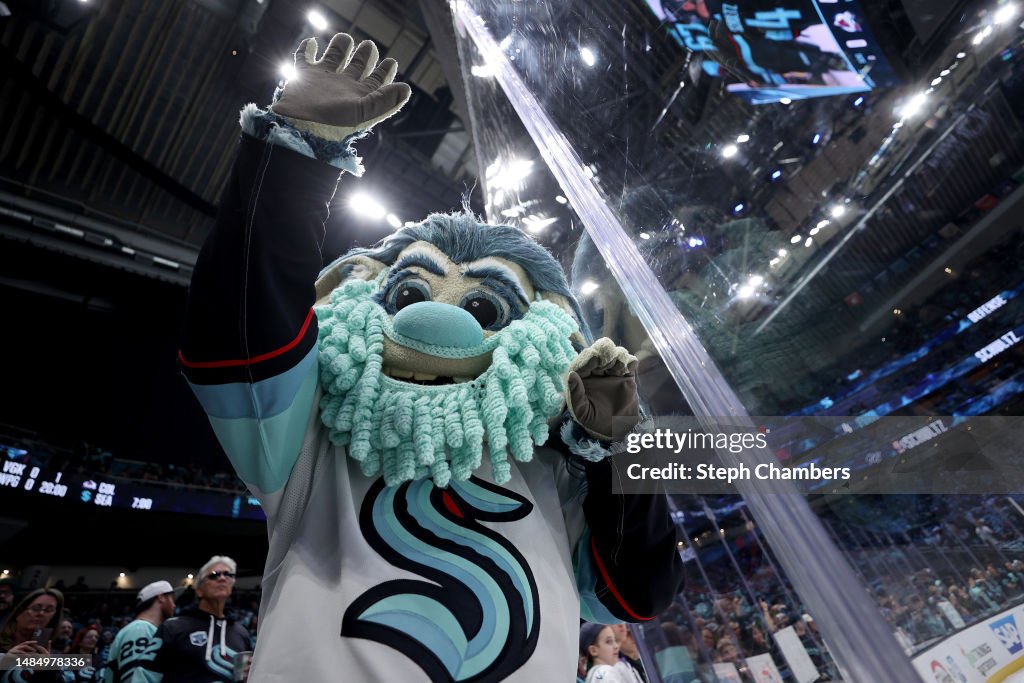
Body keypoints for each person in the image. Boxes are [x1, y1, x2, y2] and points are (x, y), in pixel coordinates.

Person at [178, 31, 683, 682]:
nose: (433, 315)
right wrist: (295, 157)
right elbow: (241, 336)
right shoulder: (311, 442)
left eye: (484, 308)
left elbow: (637, 591)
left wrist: (610, 450)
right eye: (410, 290)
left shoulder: (558, 473)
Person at [140, 557, 250, 681]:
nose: (222, 578)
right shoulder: (173, 628)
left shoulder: (241, 633)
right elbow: (145, 675)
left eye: (228, 574)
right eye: (214, 575)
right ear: (199, 590)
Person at [103, 581, 177, 683]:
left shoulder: (143, 629)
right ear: (161, 597)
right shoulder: (140, 629)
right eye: (172, 599)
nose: (174, 605)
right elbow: (134, 679)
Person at [0, 587, 65, 681]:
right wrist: (4, 664)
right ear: (19, 612)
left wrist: (47, 671)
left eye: (48, 610)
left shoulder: (54, 658)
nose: (41, 613)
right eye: (36, 608)